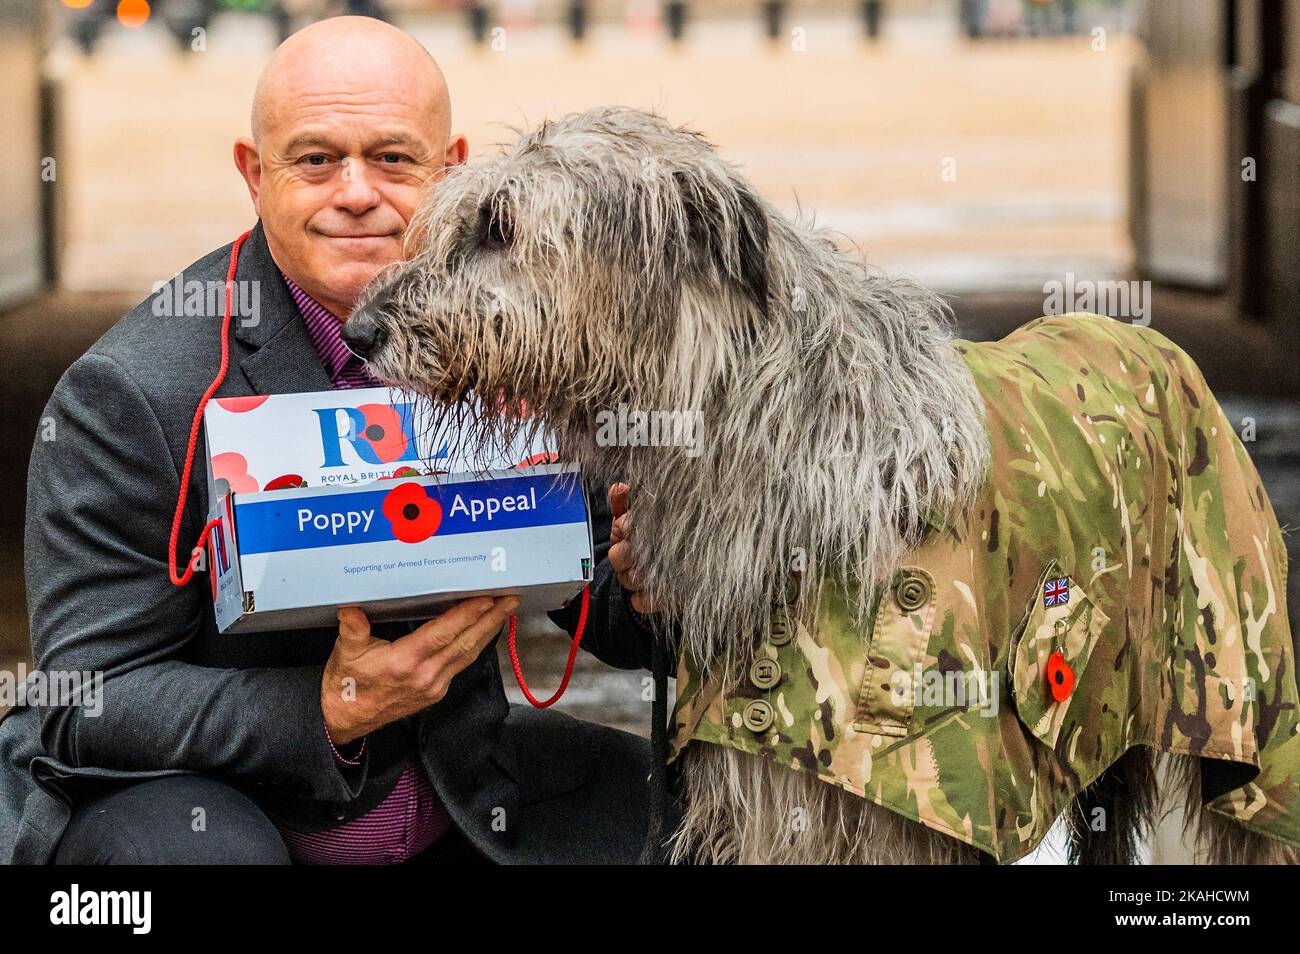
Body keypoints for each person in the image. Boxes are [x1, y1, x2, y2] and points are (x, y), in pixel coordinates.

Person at [0, 16, 657, 865]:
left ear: (452, 168)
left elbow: (593, 596)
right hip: (198, 807)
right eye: (315, 160)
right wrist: (328, 707)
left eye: (392, 158)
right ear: (254, 172)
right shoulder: (129, 391)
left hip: (449, 793)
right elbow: (80, 701)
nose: (355, 192)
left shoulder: (516, 343)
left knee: (677, 809)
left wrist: (652, 587)